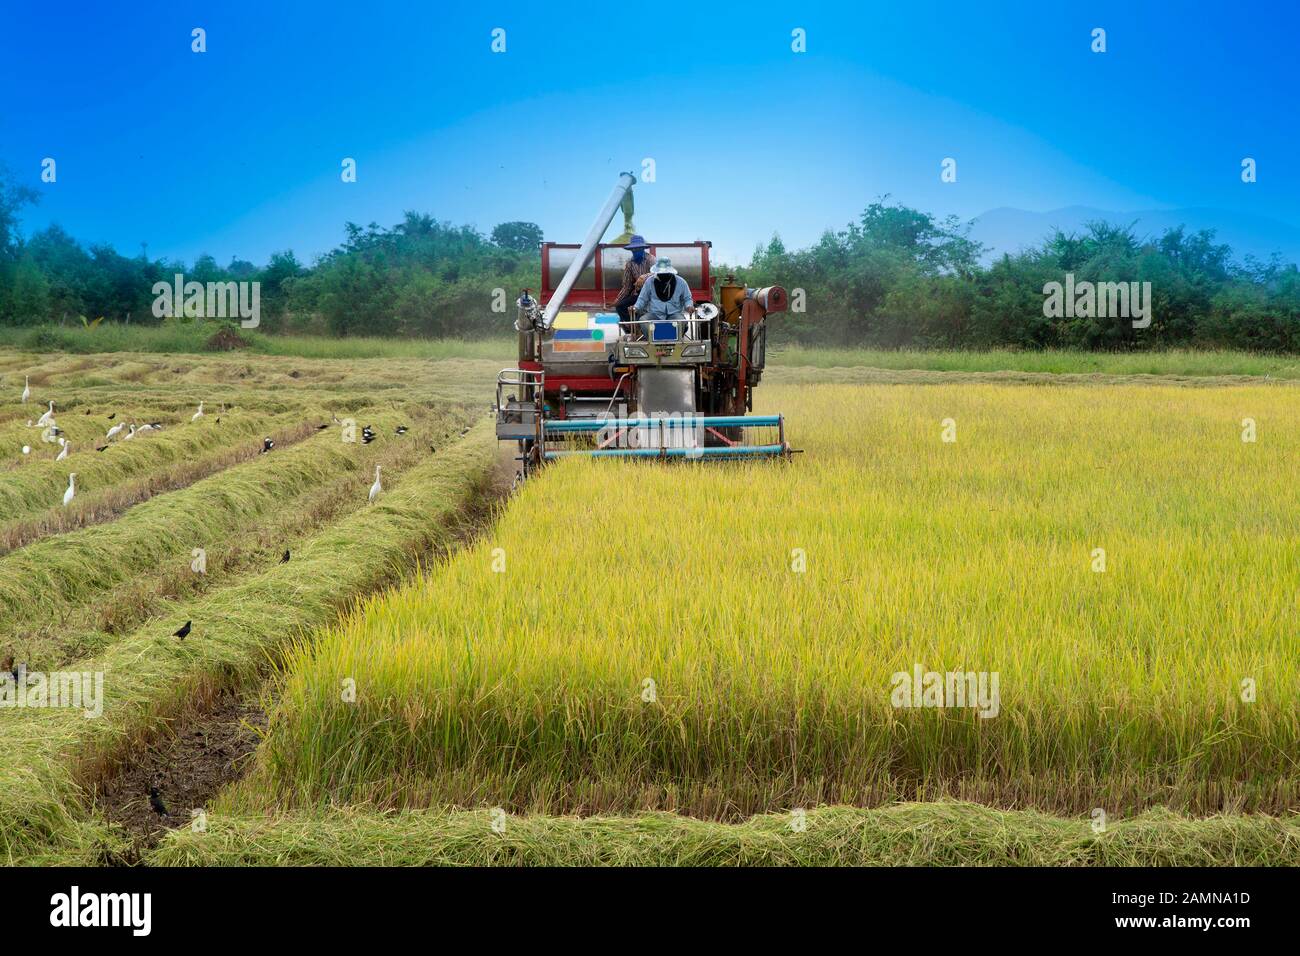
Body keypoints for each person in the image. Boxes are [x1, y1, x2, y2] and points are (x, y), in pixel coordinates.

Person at [631, 257, 694, 341]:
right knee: (643, 320)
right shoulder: (649, 281)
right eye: (660, 272)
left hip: (674, 315)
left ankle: (668, 339)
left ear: (670, 271)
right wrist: (635, 307)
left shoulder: (681, 282)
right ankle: (656, 340)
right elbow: (642, 299)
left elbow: (687, 298)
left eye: (665, 272)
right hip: (655, 315)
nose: (662, 274)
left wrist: (689, 306)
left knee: (681, 321)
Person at [613, 235, 653, 329]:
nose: (636, 251)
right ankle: (632, 328)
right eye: (634, 249)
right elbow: (627, 285)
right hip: (638, 294)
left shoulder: (651, 259)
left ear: (643, 248)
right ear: (631, 250)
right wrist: (618, 300)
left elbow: (657, 274)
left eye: (639, 249)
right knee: (620, 306)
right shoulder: (629, 263)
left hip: (652, 293)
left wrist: (644, 277)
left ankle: (642, 326)